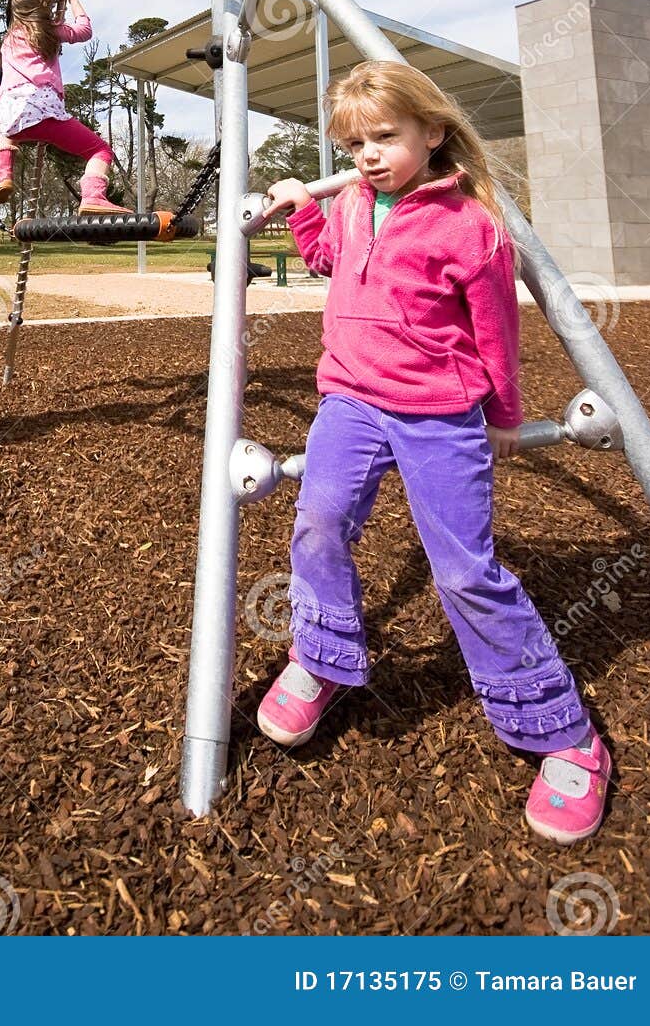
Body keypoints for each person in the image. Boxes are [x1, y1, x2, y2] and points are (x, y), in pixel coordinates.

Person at [257, 59, 610, 845]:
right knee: (316, 523)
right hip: (348, 399)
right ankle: (320, 657)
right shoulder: (351, 204)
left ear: (433, 132)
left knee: (461, 569)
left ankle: (565, 735)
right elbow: (327, 264)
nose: (368, 156)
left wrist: (503, 414)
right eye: (353, 145)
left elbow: (496, 331)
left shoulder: (468, 227)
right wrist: (296, 212)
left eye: (384, 137)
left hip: (438, 411)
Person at [0, 0, 116, 214]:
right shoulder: (49, 31)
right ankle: (93, 196)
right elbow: (84, 31)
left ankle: (3, 175)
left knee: (8, 131)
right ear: (41, 9)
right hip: (43, 111)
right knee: (100, 150)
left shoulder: (7, 40)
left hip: (9, 113)